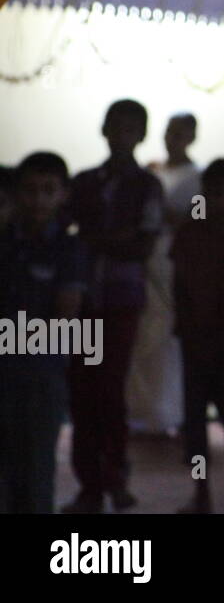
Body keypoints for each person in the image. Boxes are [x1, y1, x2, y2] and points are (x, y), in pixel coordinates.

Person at [64, 99, 164, 514]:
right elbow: (67, 233)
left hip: (122, 301)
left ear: (141, 134)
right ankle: (89, 486)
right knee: (82, 391)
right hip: (82, 299)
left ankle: (116, 478)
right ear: (104, 130)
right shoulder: (84, 181)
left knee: (111, 388)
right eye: (115, 127)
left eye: (130, 128)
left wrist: (94, 239)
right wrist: (112, 239)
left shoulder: (147, 186)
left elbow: (143, 246)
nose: (121, 135)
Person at [0, 153, 87, 513]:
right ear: (17, 194)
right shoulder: (5, 243)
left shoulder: (68, 248)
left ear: (63, 194)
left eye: (48, 191)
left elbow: (65, 320)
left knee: (36, 469)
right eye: (30, 190)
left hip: (40, 375)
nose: (38, 199)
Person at [171, 158, 224, 513]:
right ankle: (201, 492)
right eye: (210, 192)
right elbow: (179, 283)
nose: (214, 199)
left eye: (221, 193)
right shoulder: (190, 232)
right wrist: (183, 322)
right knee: (195, 426)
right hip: (196, 338)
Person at [128, 112, 200, 435]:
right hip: (144, 260)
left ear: (192, 137)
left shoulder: (197, 178)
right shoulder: (151, 173)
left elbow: (198, 219)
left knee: (166, 337)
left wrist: (171, 216)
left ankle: (168, 412)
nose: (174, 138)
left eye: (182, 133)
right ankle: (137, 410)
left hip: (173, 262)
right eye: (170, 132)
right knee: (141, 335)